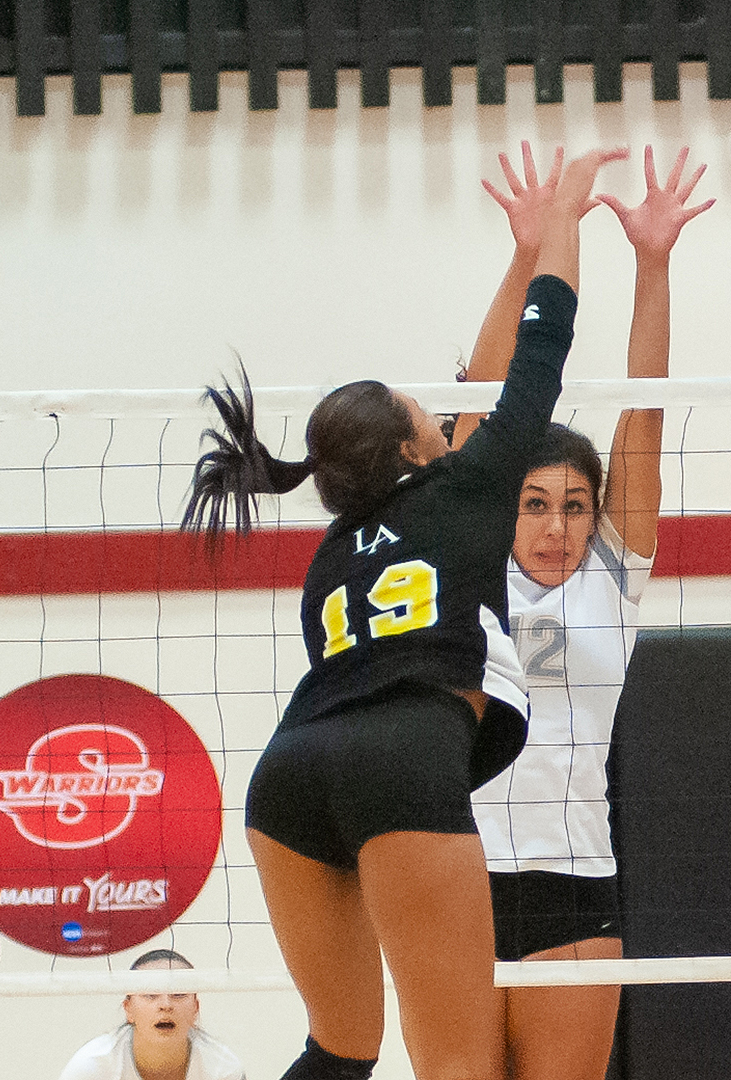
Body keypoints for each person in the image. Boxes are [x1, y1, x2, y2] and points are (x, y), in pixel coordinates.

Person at [181, 144, 624, 1080]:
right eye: (430, 411)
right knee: (456, 1067)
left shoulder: (330, 555)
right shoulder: (465, 495)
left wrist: (521, 249)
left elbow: (480, 391)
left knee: (340, 1049)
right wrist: (563, 229)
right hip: (403, 763)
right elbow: (541, 351)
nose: (446, 413)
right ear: (417, 451)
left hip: (288, 772)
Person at [457, 143, 710, 1080]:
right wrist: (530, 254)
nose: (557, 526)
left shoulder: (615, 576)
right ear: (503, 508)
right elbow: (474, 411)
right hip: (461, 880)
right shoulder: (472, 564)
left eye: (574, 504)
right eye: (534, 503)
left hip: (576, 885)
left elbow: (644, 410)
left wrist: (653, 265)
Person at [58, 949, 245, 1080]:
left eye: (178, 994)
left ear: (196, 1009)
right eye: (150, 994)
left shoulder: (223, 1070)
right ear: (128, 1009)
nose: (165, 1005)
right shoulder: (92, 1068)